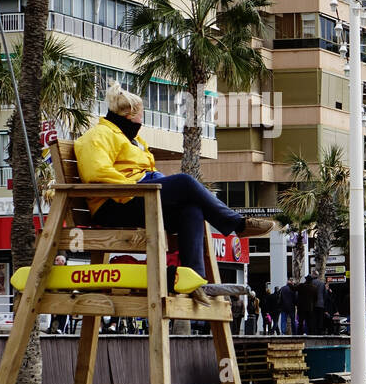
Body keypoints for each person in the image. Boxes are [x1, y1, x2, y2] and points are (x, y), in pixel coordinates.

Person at [74, 83, 274, 303]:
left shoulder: (131, 139)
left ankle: (194, 281)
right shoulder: (99, 135)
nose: (142, 121)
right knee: (185, 182)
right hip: (115, 204)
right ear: (129, 115)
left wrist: (149, 186)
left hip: (140, 196)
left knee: (192, 210)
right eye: (141, 115)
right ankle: (237, 225)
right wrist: (134, 189)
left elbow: (145, 171)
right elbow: (96, 172)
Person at [49, 254, 70, 334]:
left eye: (58, 260)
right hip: (54, 294)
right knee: (53, 314)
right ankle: (51, 328)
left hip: (64, 295)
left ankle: (61, 329)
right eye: (56, 260)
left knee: (63, 313)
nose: (56, 262)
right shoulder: (53, 270)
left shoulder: (66, 271)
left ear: (63, 262)